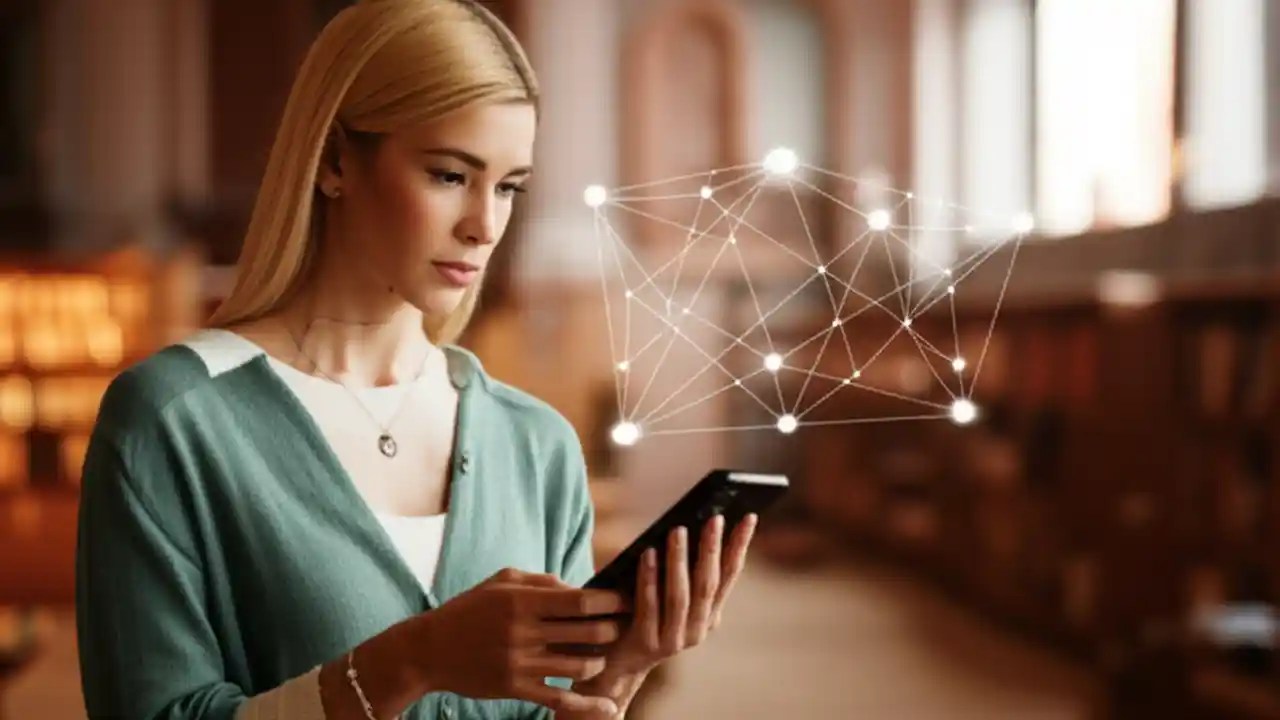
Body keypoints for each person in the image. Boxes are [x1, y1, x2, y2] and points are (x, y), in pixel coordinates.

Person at [74, 1, 757, 719]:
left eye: (508, 186)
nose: (484, 225)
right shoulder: (172, 421)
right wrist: (411, 660)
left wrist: (617, 675)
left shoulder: (536, 445)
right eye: (449, 175)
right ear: (337, 160)